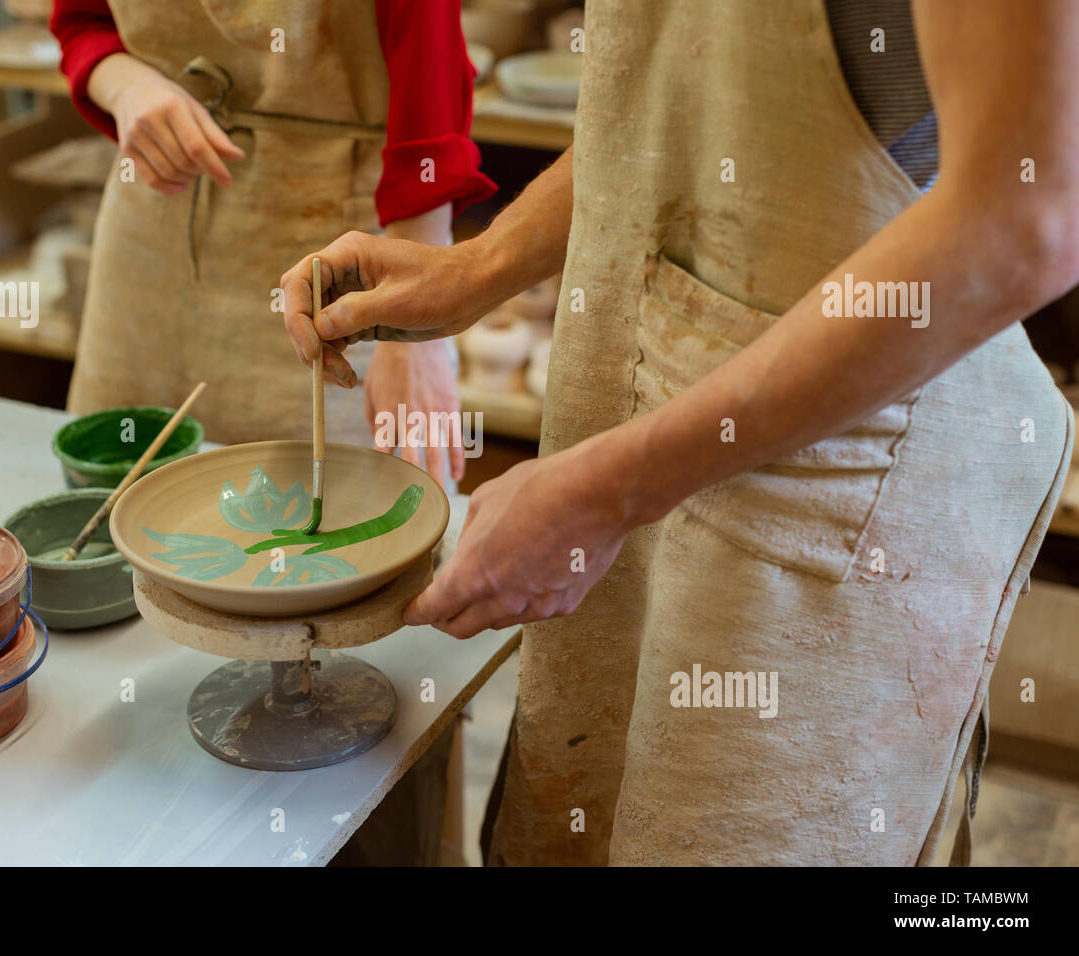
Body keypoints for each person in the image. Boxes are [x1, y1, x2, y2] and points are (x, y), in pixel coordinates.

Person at [283, 0, 1078, 865]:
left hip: (822, 510)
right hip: (630, 428)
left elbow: (1025, 218)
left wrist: (608, 489)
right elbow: (673, 101)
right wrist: (478, 265)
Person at [50, 0, 494, 486]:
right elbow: (81, 22)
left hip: (339, 245)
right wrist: (125, 85)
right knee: (119, 508)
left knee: (346, 529)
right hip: (153, 231)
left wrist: (415, 325)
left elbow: (428, 63)